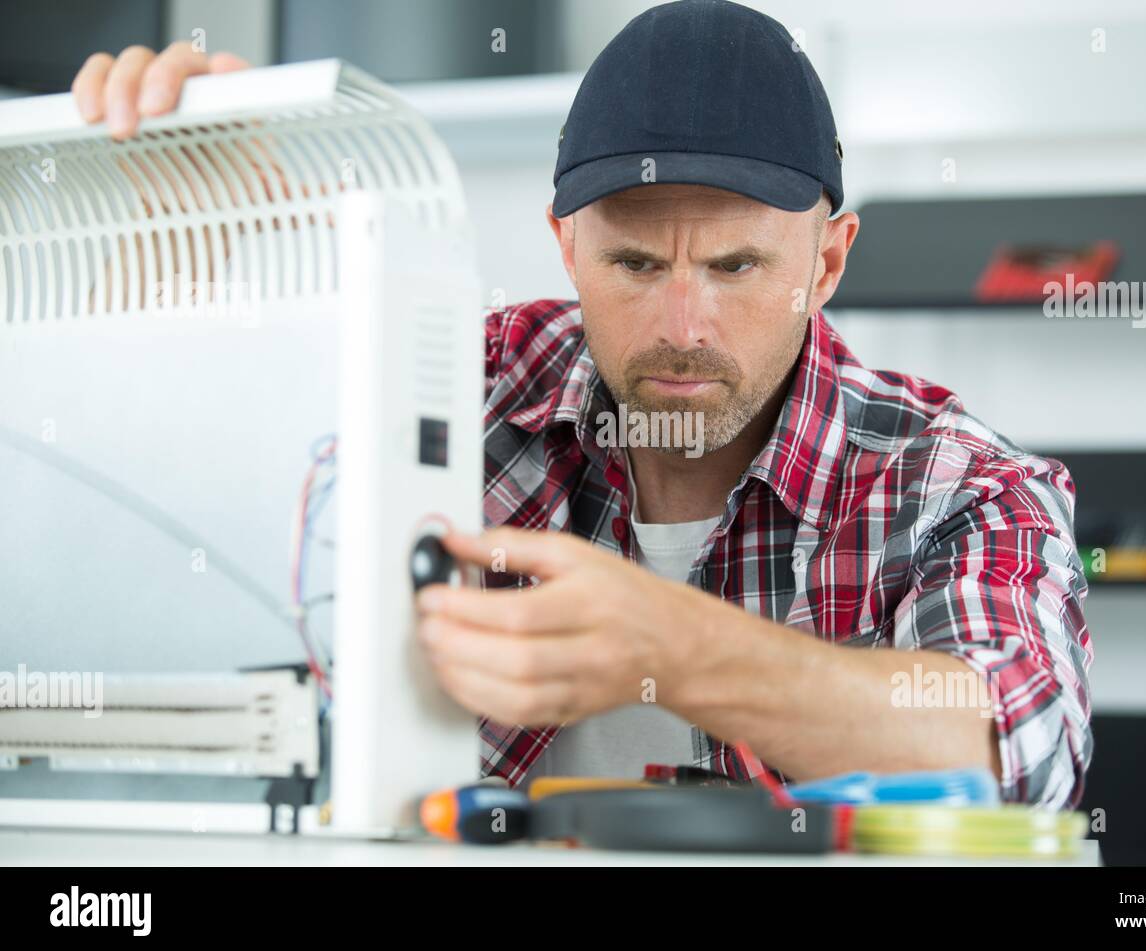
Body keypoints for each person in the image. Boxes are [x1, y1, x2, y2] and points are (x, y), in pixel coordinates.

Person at [71, 0, 1092, 808]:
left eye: (738, 265)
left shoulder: (956, 481)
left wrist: (674, 645)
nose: (683, 323)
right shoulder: (454, 382)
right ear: (565, 245)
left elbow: (1014, 752)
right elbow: (199, 469)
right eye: (633, 262)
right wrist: (193, 219)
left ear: (826, 262)